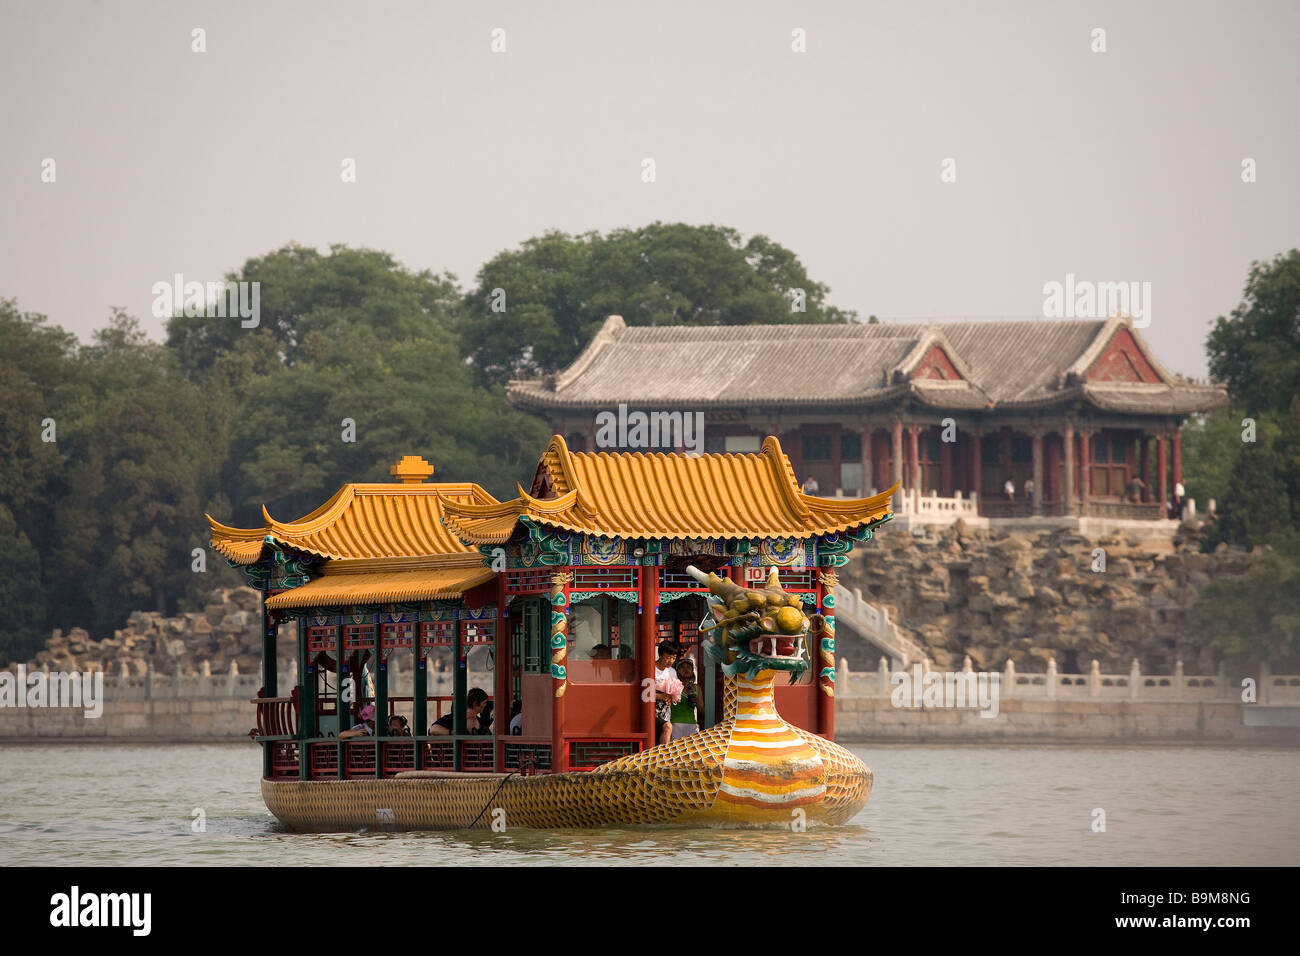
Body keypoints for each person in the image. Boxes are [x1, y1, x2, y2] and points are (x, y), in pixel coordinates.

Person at [654, 642, 680, 746]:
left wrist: (672, 697)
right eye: (668, 657)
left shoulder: (672, 672)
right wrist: (660, 696)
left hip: (664, 711)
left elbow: (675, 692)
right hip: (651, 710)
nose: (671, 661)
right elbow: (643, 693)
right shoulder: (650, 669)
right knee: (667, 727)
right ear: (660, 655)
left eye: (673, 658)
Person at [670, 658, 703, 739]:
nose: (686, 670)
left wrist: (696, 699)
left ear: (692, 671)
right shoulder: (672, 685)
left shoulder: (696, 687)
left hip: (691, 724)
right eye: (682, 667)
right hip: (675, 724)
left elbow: (702, 709)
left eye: (688, 667)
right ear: (677, 671)